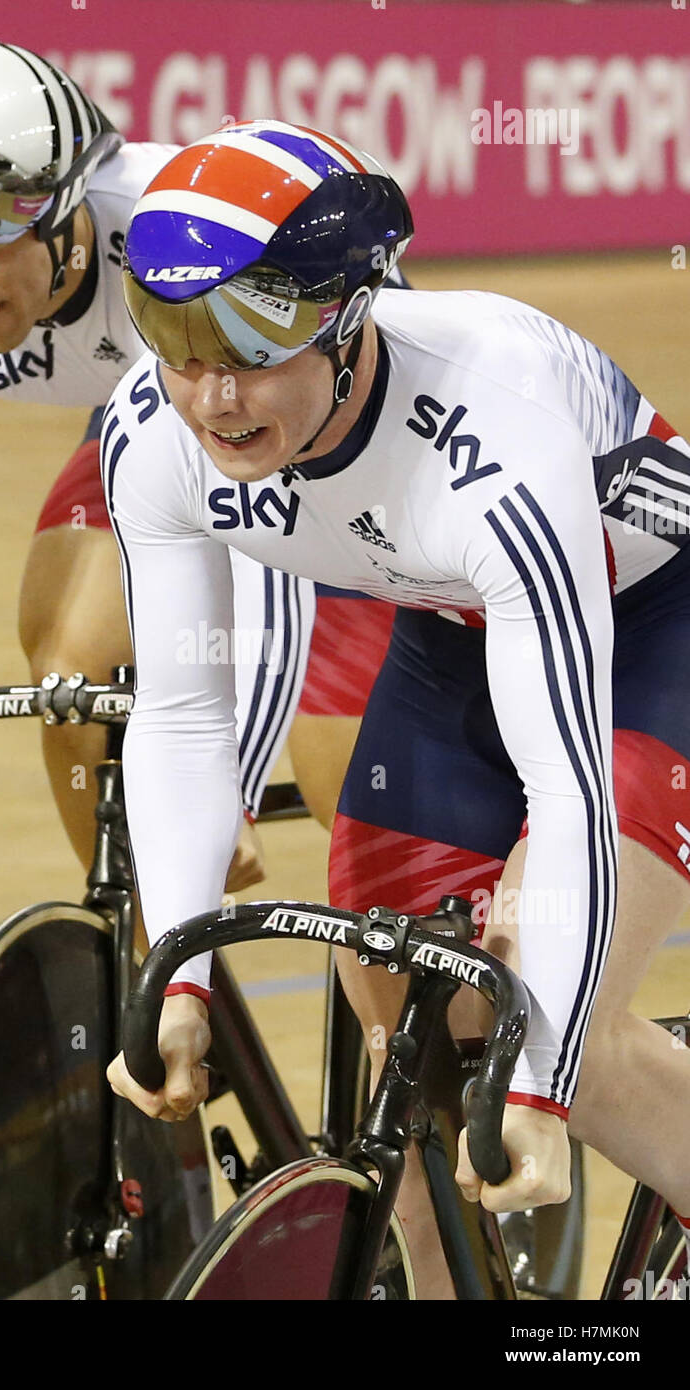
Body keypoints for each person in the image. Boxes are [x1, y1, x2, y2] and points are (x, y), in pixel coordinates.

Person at [101, 121, 690, 1269]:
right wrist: (179, 978)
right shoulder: (152, 433)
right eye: (179, 342)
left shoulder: (494, 432)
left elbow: (568, 790)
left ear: (349, 315)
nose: (213, 394)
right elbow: (180, 714)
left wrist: (547, 1084)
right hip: (456, 631)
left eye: (253, 345)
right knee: (405, 1068)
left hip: (655, 630)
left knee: (559, 1031)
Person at [0, 41, 398, 902]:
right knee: (73, 677)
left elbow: (261, 542)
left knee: (352, 779)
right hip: (167, 421)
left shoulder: (187, 254)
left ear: (66, 208)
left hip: (330, 437)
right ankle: (164, 989)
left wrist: (235, 778)